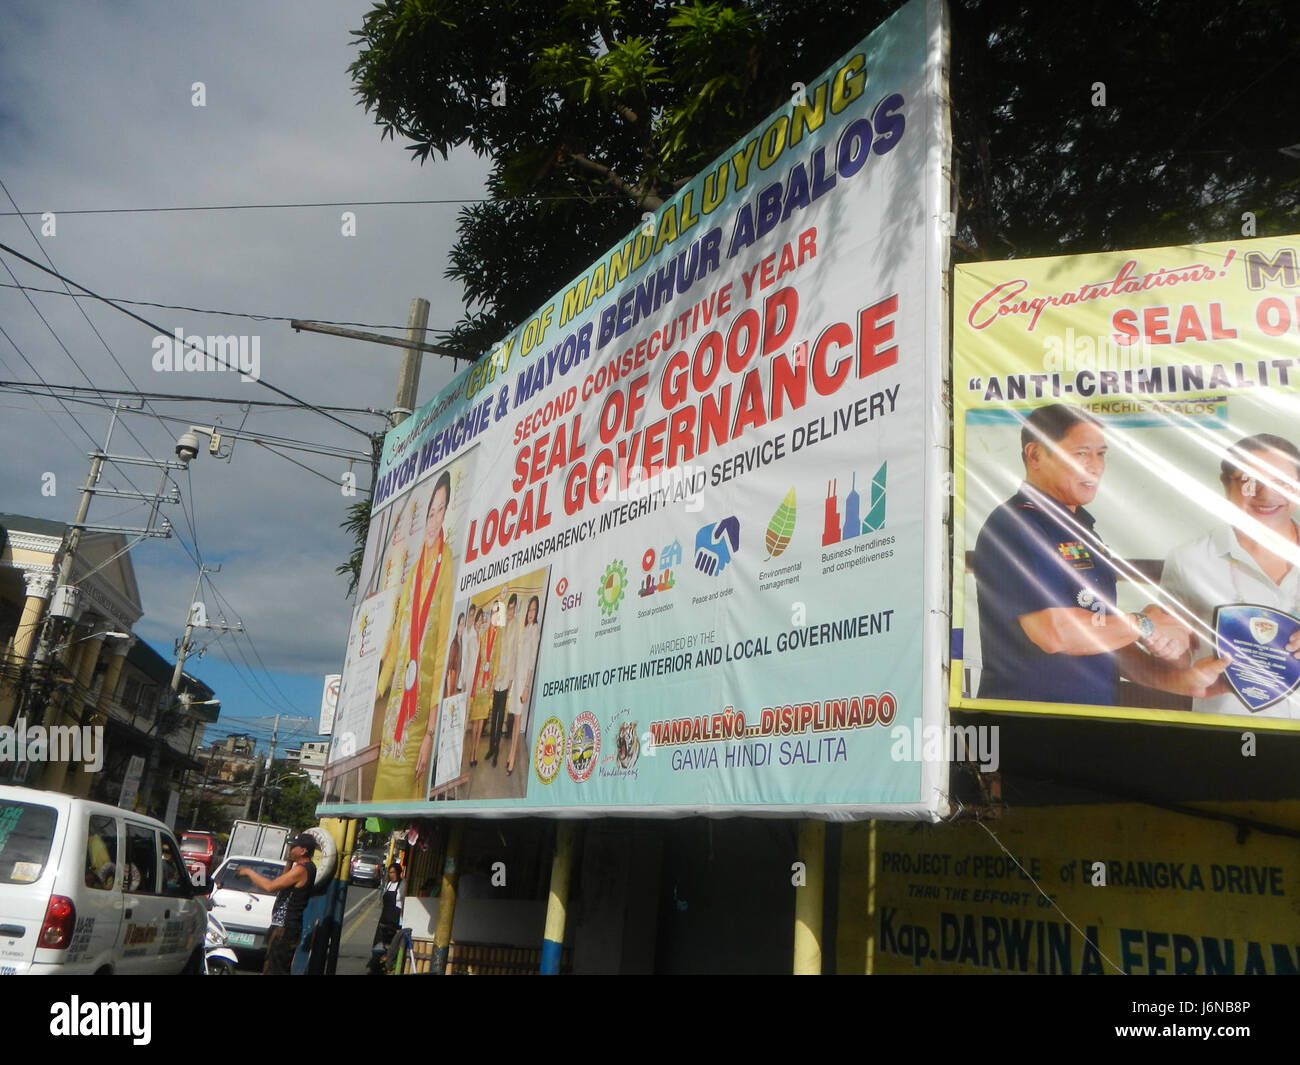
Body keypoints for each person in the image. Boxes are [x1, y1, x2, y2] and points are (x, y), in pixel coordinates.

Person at [973, 403, 1201, 704]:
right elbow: (1055, 633)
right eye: (1081, 453)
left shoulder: (1082, 530)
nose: (1094, 466)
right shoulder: (1016, 525)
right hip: (1028, 724)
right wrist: (1142, 623)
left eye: (1101, 454)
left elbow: (1105, 641)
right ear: (1036, 455)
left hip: (1086, 722)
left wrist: (1184, 680)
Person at [1159, 434, 1300, 718]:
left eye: (1282, 482)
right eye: (1248, 480)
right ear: (1225, 484)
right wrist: (1167, 648)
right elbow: (1173, 663)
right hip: (1228, 736)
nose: (1266, 494)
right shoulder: (1190, 560)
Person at [373, 472, 454, 800]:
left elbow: (443, 645)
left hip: (420, 719)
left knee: (406, 797)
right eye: (431, 512)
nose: (435, 520)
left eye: (441, 510)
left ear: (447, 513)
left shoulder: (446, 565)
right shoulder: (414, 572)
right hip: (394, 717)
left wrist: (430, 735)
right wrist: (375, 692)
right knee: (381, 798)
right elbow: (395, 643)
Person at [239, 834, 317, 975]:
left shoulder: (302, 869)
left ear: (303, 851)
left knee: (277, 969)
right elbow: (283, 883)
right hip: (281, 925)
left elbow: (271, 886)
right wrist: (289, 862)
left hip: (286, 927)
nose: (291, 849)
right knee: (269, 965)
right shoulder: (300, 867)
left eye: (294, 847)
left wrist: (249, 872)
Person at [505, 595, 542, 774]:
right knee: (514, 720)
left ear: (537, 612)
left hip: (523, 682)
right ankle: (511, 754)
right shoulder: (524, 628)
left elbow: (531, 662)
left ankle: (512, 757)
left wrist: (526, 687)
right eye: (530, 609)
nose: (531, 612)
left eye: (534, 609)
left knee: (518, 719)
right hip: (516, 678)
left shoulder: (535, 630)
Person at [486, 594, 521, 767]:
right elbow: (496, 653)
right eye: (510, 608)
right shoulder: (502, 627)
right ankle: (491, 747)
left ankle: (497, 752)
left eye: (514, 608)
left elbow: (514, 653)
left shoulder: (516, 626)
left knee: (501, 716)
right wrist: (493, 679)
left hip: (507, 677)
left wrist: (511, 678)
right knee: (494, 715)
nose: (511, 611)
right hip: (497, 676)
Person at [466, 605, 495, 768]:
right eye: (478, 619)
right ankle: (471, 752)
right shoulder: (471, 638)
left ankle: (476, 751)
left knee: (479, 722)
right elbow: (470, 663)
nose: (479, 623)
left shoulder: (483, 638)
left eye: (481, 620)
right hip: (474, 684)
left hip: (483, 685)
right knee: (473, 721)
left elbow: (486, 660)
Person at [371, 863, 406, 960]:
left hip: (394, 921)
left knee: (391, 946)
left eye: (393, 872)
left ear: (399, 873)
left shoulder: (403, 885)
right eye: (390, 873)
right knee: (379, 945)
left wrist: (401, 923)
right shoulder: (389, 884)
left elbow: (404, 904)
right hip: (384, 920)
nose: (391, 875)